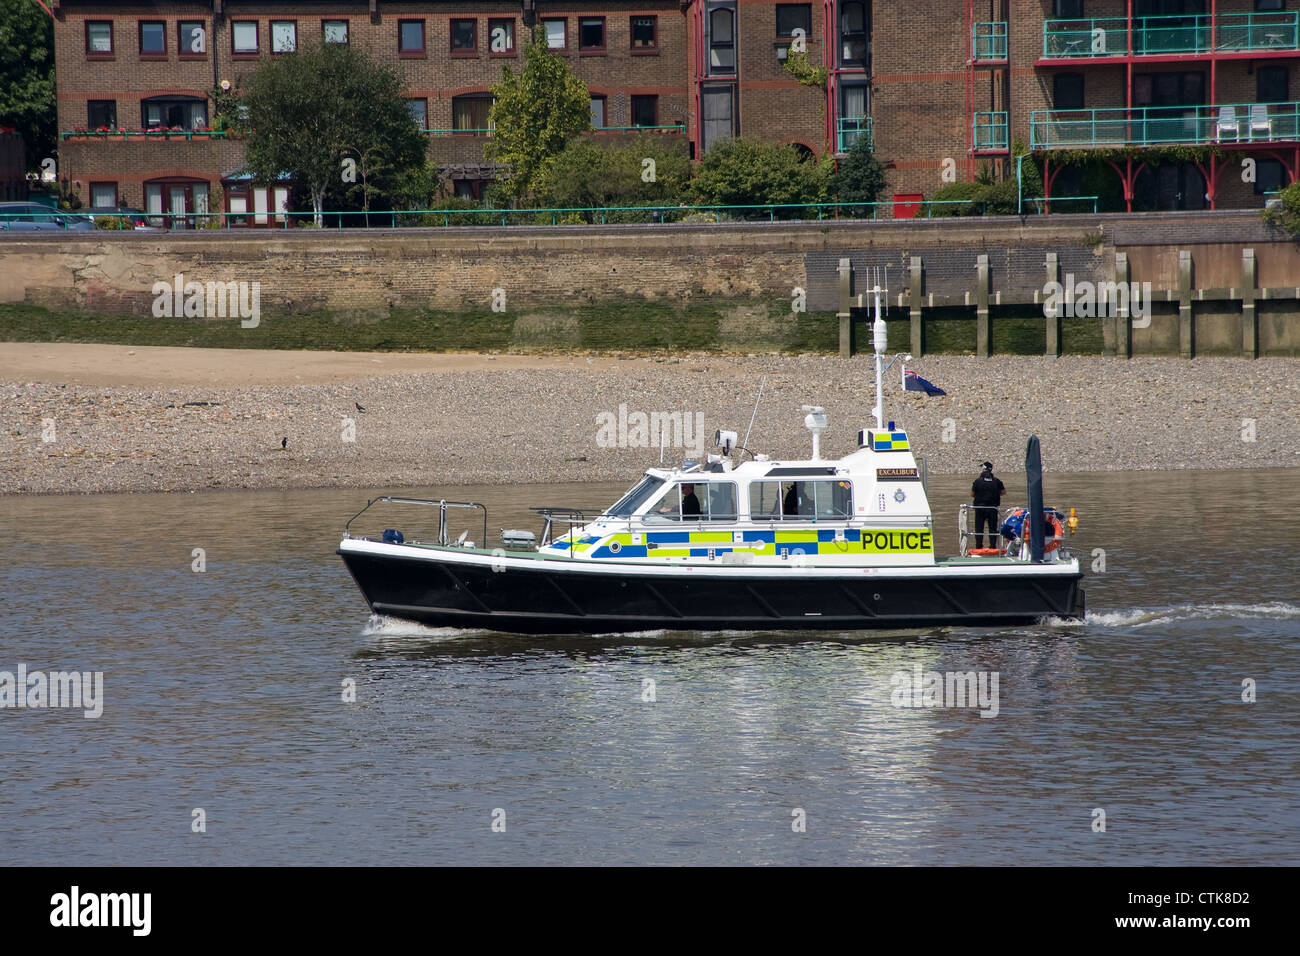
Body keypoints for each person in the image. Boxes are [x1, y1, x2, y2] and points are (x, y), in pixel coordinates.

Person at [971, 461, 1005, 549]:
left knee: (979, 528)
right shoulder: (996, 481)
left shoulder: (978, 481)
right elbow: (1003, 492)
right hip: (993, 508)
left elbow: (972, 494)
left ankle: (978, 546)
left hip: (980, 508)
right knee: (993, 528)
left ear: (984, 469)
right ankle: (993, 546)